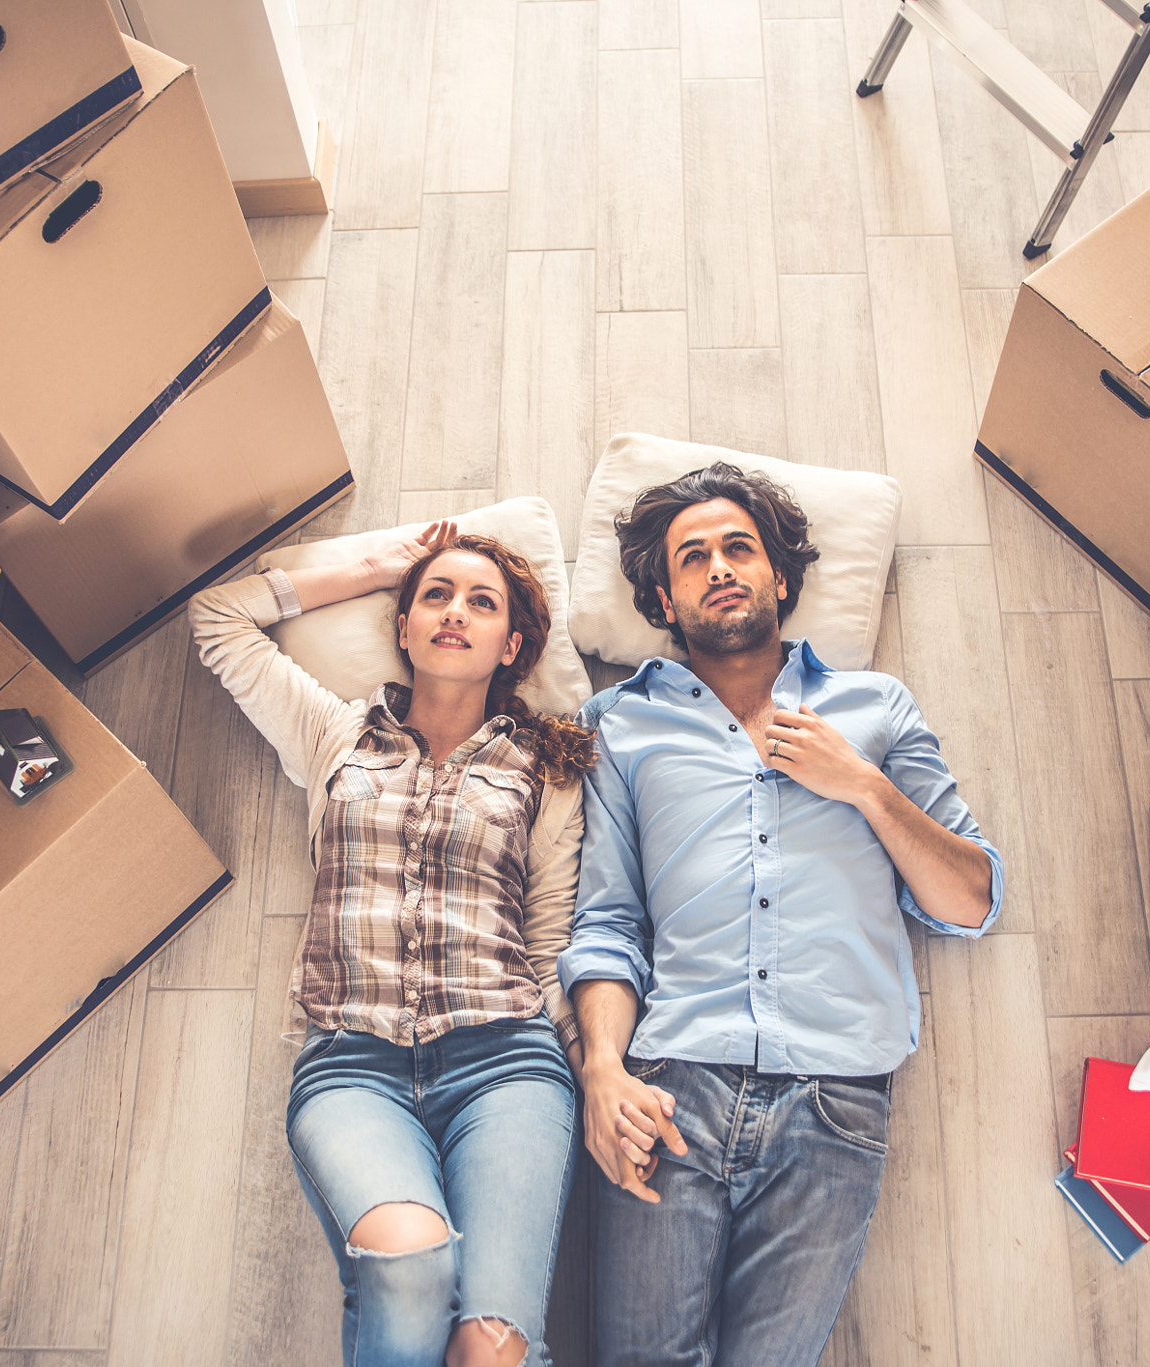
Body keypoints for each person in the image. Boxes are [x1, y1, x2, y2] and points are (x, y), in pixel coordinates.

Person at [558, 464, 1004, 1366]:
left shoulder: (874, 708)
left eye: (739, 548)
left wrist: (866, 788)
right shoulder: (620, 723)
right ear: (664, 598)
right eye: (694, 557)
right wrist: (601, 1066)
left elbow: (971, 901)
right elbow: (606, 921)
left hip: (837, 1097)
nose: (720, 566)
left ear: (782, 579)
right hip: (670, 1086)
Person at [189, 521, 593, 1367]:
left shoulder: (546, 768)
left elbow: (549, 935)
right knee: (407, 1264)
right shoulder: (335, 734)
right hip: (351, 1063)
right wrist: (379, 568)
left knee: (491, 1350)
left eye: (482, 602)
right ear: (403, 626)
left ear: (511, 643)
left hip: (508, 1063)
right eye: (434, 596)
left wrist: (587, 1065)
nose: (455, 611)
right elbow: (218, 617)